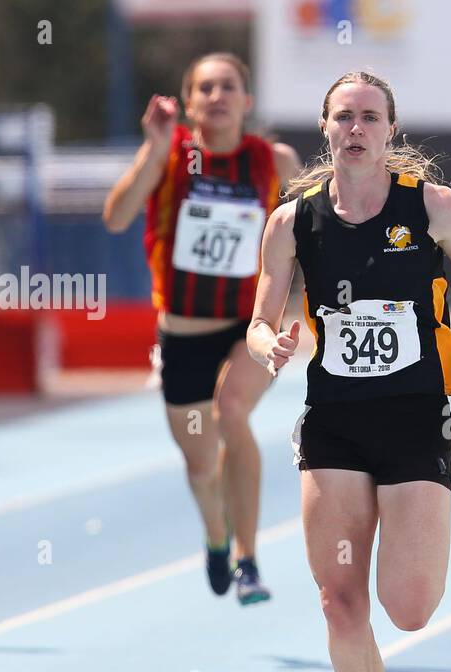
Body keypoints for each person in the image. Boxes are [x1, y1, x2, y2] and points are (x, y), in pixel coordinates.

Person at [249, 70, 451, 672]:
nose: (355, 129)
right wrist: (271, 342)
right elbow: (260, 317)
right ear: (324, 130)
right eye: (343, 117)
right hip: (333, 423)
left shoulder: (431, 206)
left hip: (415, 419)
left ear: (390, 131)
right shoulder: (292, 222)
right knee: (338, 599)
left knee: (411, 607)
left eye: (369, 117)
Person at [102, 53, 300, 604]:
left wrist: (300, 308)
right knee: (200, 464)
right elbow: (116, 218)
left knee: (231, 410)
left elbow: (313, 235)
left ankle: (249, 561)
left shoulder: (274, 160)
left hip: (249, 327)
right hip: (183, 333)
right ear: (189, 103)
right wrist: (153, 146)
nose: (217, 95)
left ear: (247, 100)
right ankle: (218, 535)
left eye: (228, 86)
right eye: (205, 88)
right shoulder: (169, 159)